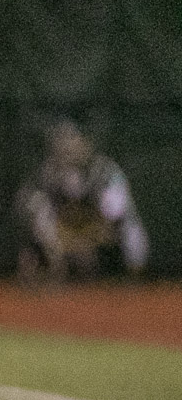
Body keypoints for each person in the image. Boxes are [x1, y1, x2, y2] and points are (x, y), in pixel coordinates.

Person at [15, 120, 148, 282]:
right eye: (61, 142)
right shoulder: (48, 172)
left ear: (86, 144)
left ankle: (133, 282)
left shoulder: (106, 172)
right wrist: (60, 245)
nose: (66, 148)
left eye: (72, 141)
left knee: (131, 229)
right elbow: (29, 206)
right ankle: (56, 271)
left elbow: (114, 222)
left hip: (102, 238)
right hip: (68, 234)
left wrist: (86, 242)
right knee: (37, 206)